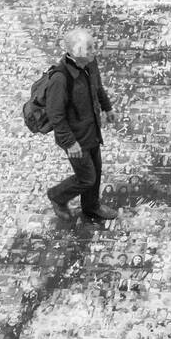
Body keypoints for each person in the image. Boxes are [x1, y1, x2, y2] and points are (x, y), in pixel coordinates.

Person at [45, 28, 120, 224]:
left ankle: (91, 207)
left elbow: (98, 87)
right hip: (75, 138)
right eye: (89, 48)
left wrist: (107, 108)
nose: (95, 51)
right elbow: (56, 116)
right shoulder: (60, 79)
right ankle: (57, 195)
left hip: (92, 130)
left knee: (96, 169)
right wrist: (70, 143)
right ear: (77, 52)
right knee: (87, 177)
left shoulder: (90, 64)